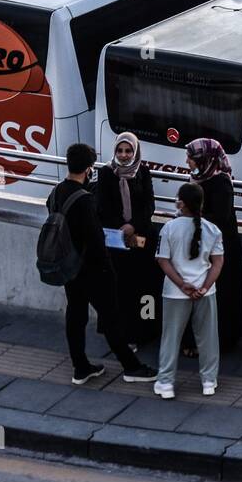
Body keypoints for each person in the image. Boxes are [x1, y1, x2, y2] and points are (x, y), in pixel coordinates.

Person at [50, 143, 156, 386]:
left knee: (75, 316)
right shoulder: (85, 200)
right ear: (89, 169)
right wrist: (108, 270)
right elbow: (96, 240)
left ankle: (80, 367)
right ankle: (131, 367)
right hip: (92, 270)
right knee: (111, 319)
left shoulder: (56, 193)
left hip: (69, 266)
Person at [154, 183, 224, 399]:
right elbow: (218, 263)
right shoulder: (213, 230)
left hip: (175, 293)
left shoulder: (169, 228)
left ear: (181, 203)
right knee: (208, 337)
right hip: (206, 292)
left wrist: (182, 284)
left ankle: (166, 382)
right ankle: (208, 381)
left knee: (171, 337)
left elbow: (163, 261)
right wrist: (204, 287)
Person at [94, 133, 158, 347]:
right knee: (116, 287)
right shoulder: (105, 173)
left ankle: (139, 332)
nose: (123, 155)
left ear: (135, 152)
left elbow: (149, 205)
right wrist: (121, 228)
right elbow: (102, 206)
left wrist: (133, 226)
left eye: (128, 151)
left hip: (140, 240)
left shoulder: (143, 172)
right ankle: (118, 333)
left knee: (140, 287)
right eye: (120, 151)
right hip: (115, 241)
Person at [185, 138, 242, 350]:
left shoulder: (220, 183)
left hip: (220, 251)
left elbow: (220, 217)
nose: (187, 162)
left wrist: (190, 217)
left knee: (221, 298)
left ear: (204, 159)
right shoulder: (198, 179)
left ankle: (220, 342)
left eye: (191, 158)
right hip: (204, 250)